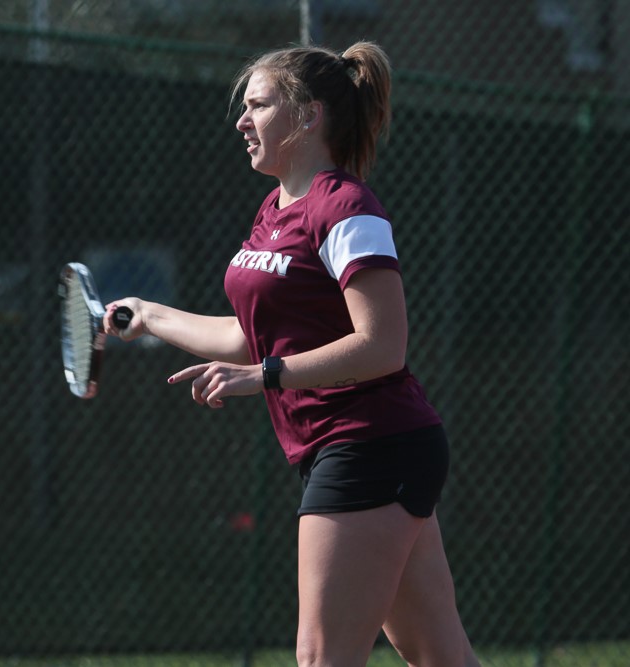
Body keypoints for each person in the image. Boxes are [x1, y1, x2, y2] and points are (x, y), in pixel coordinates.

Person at [103, 42, 481, 667]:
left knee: (320, 658)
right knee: (443, 658)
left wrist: (266, 377)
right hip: (362, 447)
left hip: (370, 443)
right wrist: (150, 317)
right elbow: (252, 338)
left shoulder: (347, 208)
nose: (241, 121)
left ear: (308, 117)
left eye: (257, 105)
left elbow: (382, 345)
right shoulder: (275, 210)